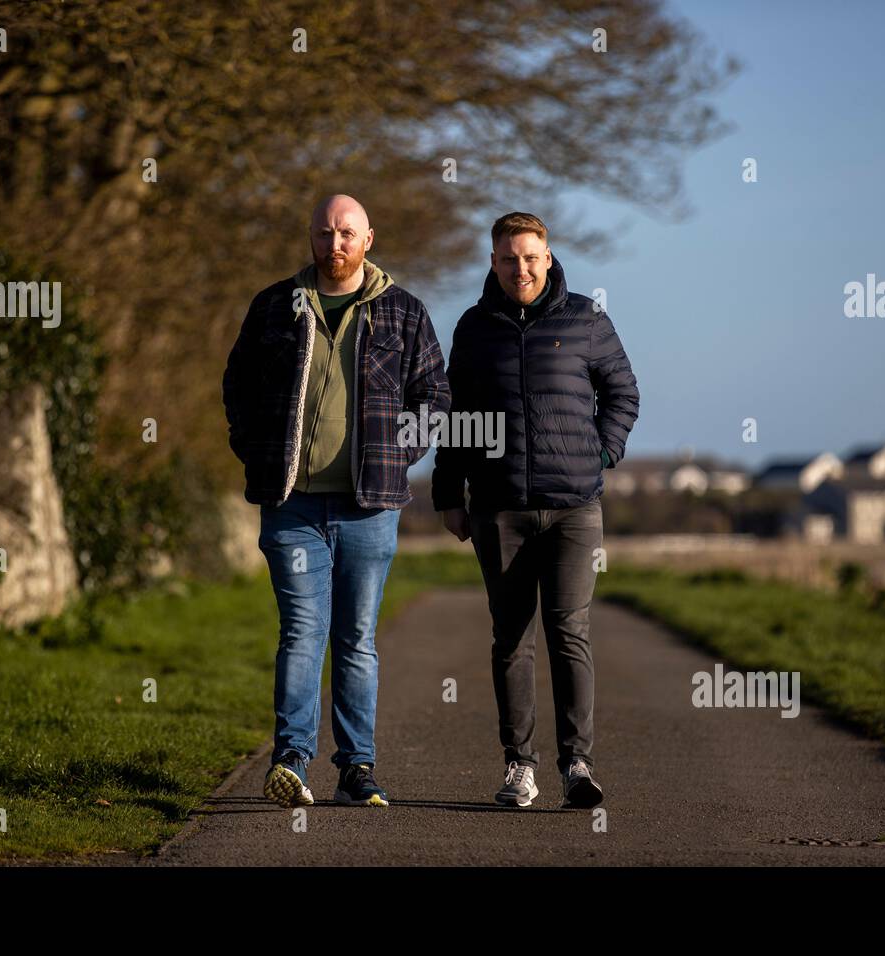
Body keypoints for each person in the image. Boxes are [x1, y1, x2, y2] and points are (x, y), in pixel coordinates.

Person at [223, 194, 449, 808]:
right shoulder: (274, 306)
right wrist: (257, 453)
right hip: (292, 505)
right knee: (302, 632)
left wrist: (398, 458)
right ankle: (291, 762)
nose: (335, 244)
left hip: (369, 508)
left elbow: (433, 396)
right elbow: (237, 385)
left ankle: (357, 769)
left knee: (356, 638)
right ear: (311, 238)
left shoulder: (404, 312)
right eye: (324, 233)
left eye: (347, 233)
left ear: (368, 238)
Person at [432, 211, 639, 809]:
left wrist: (602, 450)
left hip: (575, 509)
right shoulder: (473, 328)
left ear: (547, 258)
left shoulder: (586, 320)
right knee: (510, 639)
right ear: (492, 263)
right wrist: (450, 494)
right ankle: (520, 767)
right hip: (500, 509)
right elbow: (457, 416)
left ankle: (577, 765)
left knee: (569, 633)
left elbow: (623, 392)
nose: (519, 268)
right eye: (507, 258)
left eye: (529, 257)